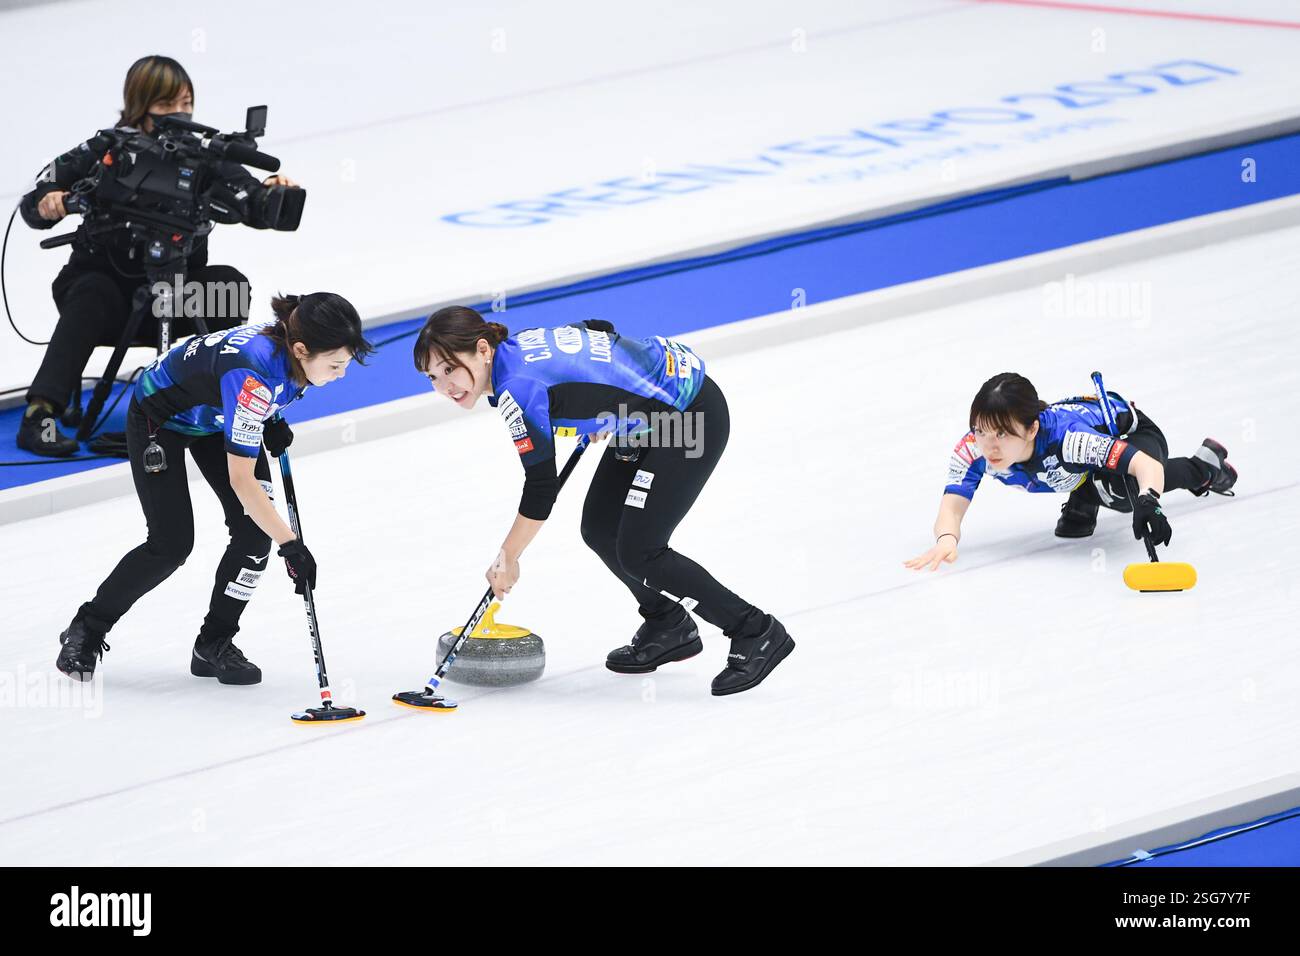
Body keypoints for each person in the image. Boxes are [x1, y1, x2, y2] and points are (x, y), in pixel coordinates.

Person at [412, 307, 794, 696]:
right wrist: (595, 405)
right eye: (432, 377)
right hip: (642, 419)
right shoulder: (516, 347)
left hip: (688, 416)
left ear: (481, 349)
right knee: (600, 527)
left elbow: (541, 487)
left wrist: (508, 556)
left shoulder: (518, 387)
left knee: (642, 550)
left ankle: (756, 630)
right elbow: (596, 328)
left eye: (449, 369)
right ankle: (668, 625)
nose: (445, 385)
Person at [54, 293, 373, 684]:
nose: (341, 374)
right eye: (336, 365)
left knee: (255, 536)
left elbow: (248, 394)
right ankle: (88, 627)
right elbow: (242, 479)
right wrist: (291, 545)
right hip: (162, 417)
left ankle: (214, 643)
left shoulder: (292, 351)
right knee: (170, 545)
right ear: (301, 348)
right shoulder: (256, 375)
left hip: (216, 414)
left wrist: (269, 417)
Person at [16, 54, 299, 457]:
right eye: (167, 105)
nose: (180, 114)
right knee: (91, 291)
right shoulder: (107, 150)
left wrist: (272, 189)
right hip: (109, 303)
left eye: (186, 103)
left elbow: (251, 201)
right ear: (139, 106)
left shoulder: (204, 157)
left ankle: (221, 402)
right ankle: (40, 413)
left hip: (176, 293)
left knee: (228, 285)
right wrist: (52, 201)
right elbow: (33, 203)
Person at [905, 372, 1238, 572]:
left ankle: (1202, 468)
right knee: (1094, 481)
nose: (989, 446)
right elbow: (951, 504)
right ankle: (1085, 493)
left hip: (1133, 433)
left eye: (1003, 434)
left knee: (1126, 492)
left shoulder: (1071, 441)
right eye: (981, 431)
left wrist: (1149, 502)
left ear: (1032, 429)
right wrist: (946, 539)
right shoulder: (974, 447)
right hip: (1076, 462)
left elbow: (1145, 465)